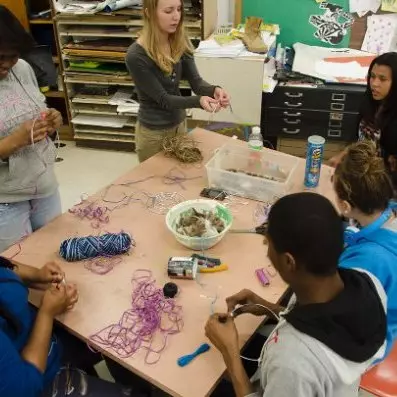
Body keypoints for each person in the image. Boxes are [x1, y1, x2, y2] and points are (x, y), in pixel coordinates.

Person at [205, 192, 387, 397]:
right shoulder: (366, 283)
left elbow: (298, 360)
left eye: (268, 245)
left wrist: (230, 352)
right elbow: (328, 325)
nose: (267, 252)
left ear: (288, 262)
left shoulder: (292, 363)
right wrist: (269, 307)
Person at [0, 255, 146, 397]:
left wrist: (37, 275)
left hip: (42, 342)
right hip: (39, 382)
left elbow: (4, 266)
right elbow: (24, 389)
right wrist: (46, 313)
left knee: (115, 339)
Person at [125, 0, 230, 162]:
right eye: (168, 11)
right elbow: (163, 99)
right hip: (153, 134)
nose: (176, 17)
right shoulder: (136, 56)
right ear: (149, 13)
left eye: (179, 9)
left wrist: (214, 90)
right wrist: (199, 101)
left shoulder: (179, 41)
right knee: (154, 183)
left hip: (179, 125)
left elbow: (197, 82)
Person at [0, 6, 63, 253]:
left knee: (53, 254)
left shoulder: (22, 69)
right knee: (22, 266)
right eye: (0, 57)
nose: (7, 65)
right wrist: (15, 140)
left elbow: (36, 108)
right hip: (6, 201)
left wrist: (51, 120)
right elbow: (17, 137)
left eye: (12, 56)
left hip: (43, 185)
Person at [334, 141, 397, 359]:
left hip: (365, 344)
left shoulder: (364, 262)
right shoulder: (391, 212)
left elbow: (331, 312)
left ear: (346, 207)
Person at [329, 52, 397, 188]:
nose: (374, 84)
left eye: (382, 79)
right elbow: (360, 138)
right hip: (358, 174)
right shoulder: (370, 102)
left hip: (382, 186)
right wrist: (343, 154)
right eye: (372, 77)